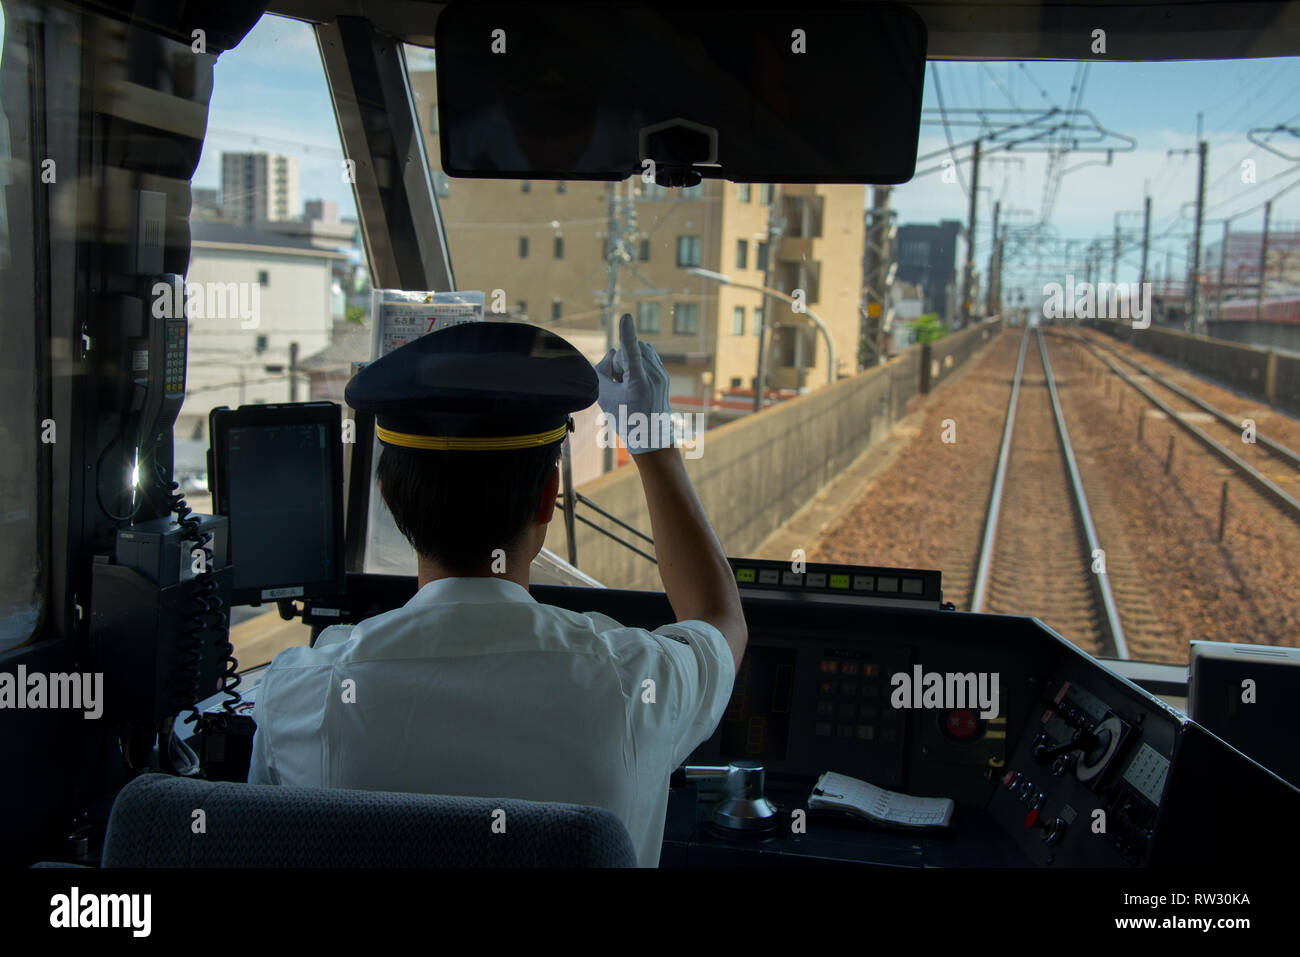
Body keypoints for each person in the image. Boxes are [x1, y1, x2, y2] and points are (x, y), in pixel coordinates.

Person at [247, 314, 747, 867]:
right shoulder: (636, 684)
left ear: (388, 498)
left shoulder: (297, 698)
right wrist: (651, 440)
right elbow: (720, 619)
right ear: (547, 498)